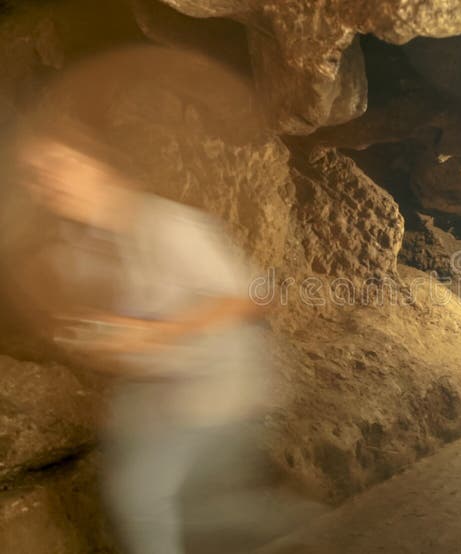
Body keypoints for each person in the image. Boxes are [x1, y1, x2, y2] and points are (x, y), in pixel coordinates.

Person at [9, 120, 272, 554]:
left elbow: (248, 298)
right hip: (147, 391)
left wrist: (156, 334)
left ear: (99, 166)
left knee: (146, 499)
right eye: (35, 175)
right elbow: (97, 323)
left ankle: (311, 530)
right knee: (166, 501)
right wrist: (89, 337)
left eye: (59, 164)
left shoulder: (168, 224)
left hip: (213, 381)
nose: (48, 181)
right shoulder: (78, 244)